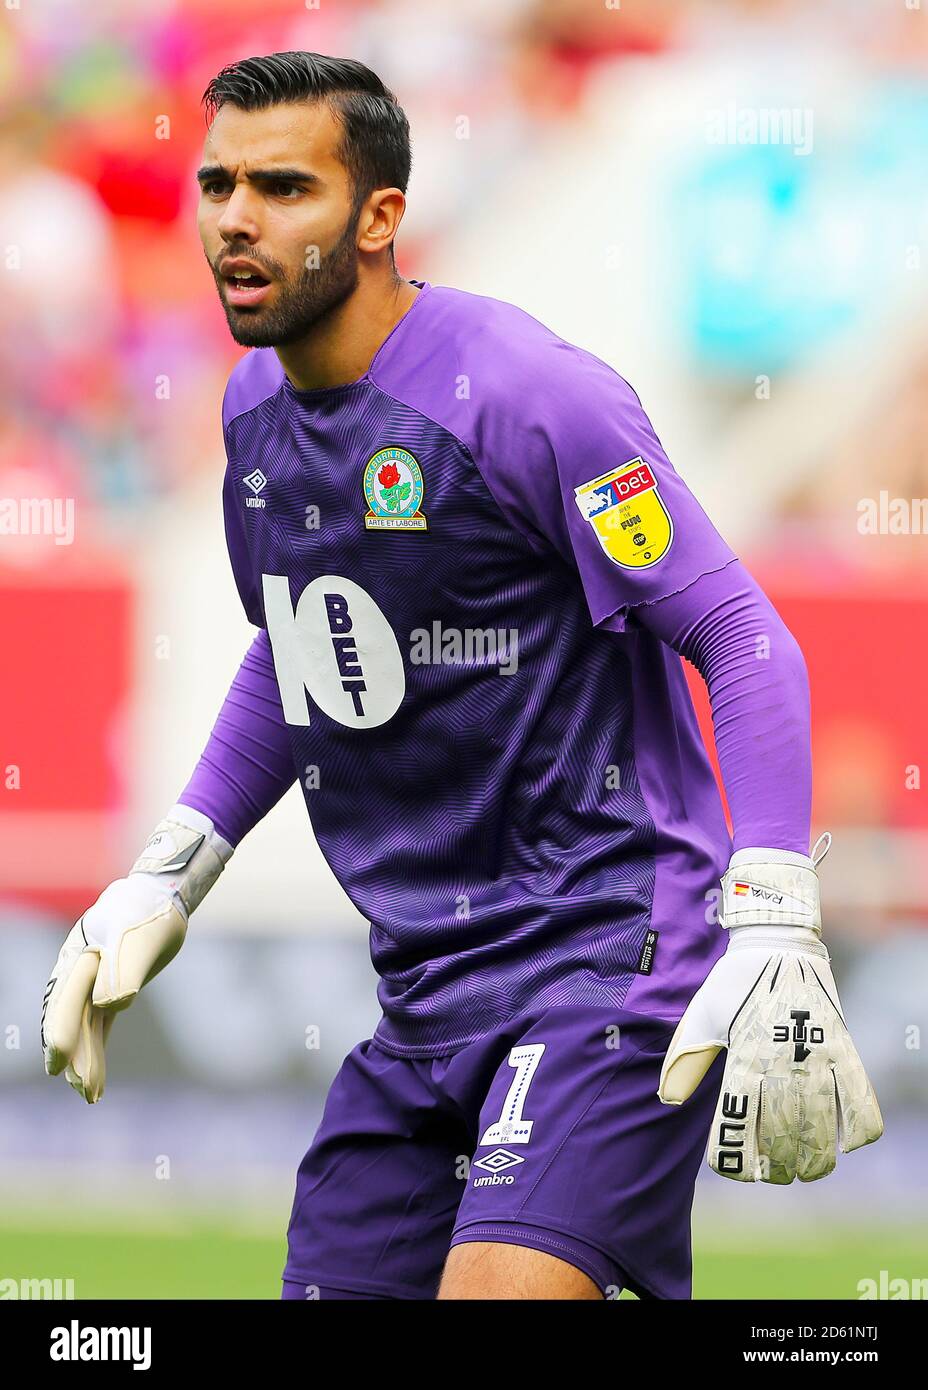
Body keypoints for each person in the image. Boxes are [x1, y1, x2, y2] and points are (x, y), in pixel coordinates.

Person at [42, 51, 883, 1302]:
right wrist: (173, 864)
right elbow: (306, 642)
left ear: (380, 215)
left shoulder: (528, 394)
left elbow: (742, 633)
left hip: (608, 955)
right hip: (424, 990)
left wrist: (771, 904)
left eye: (282, 186)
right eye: (217, 182)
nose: (235, 217)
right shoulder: (249, 411)